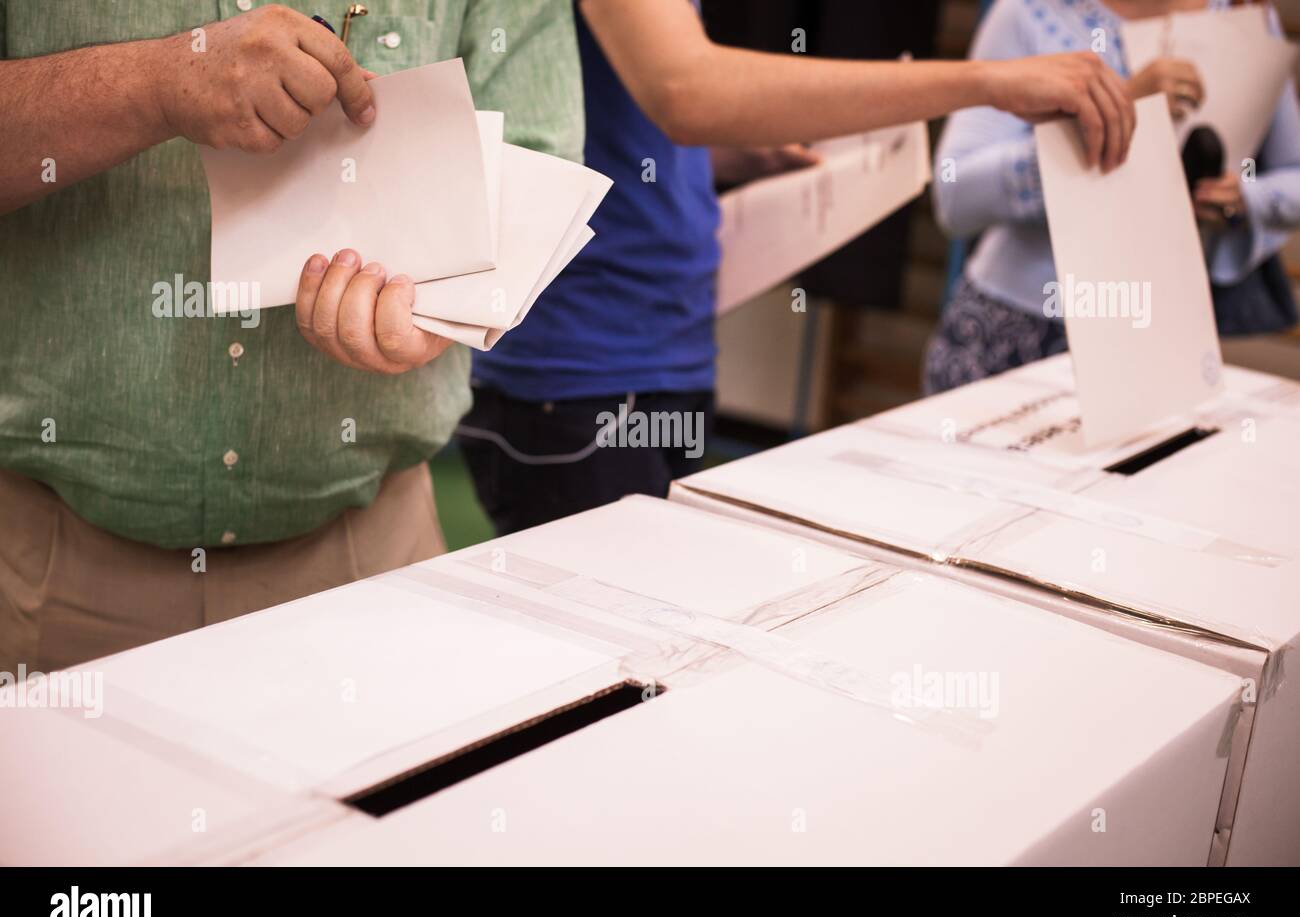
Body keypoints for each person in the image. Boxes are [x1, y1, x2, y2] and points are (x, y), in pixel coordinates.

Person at [0, 1, 584, 670]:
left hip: (374, 569)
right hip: (48, 578)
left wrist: (444, 311)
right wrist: (155, 83)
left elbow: (538, 156)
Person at [461, 0, 1136, 536]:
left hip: (661, 353)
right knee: (606, 678)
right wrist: (985, 81)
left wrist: (729, 159)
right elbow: (687, 88)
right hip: (578, 372)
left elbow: (615, 110)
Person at [925, 0, 1300, 393]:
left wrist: (1243, 197)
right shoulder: (1033, 11)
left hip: (1161, 342)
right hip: (1019, 333)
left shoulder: (1245, 16)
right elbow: (954, 193)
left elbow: (1292, 176)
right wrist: (1102, 120)